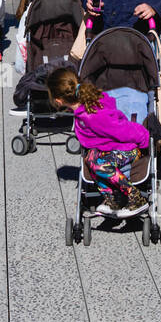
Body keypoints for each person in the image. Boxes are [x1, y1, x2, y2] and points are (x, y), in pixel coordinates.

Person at [47, 65, 150, 218]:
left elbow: (122, 130)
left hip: (129, 149)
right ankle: (113, 199)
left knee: (98, 164)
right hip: (111, 149)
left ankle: (136, 198)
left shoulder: (92, 116)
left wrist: (143, 139)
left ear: (58, 100)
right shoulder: (82, 111)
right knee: (90, 158)